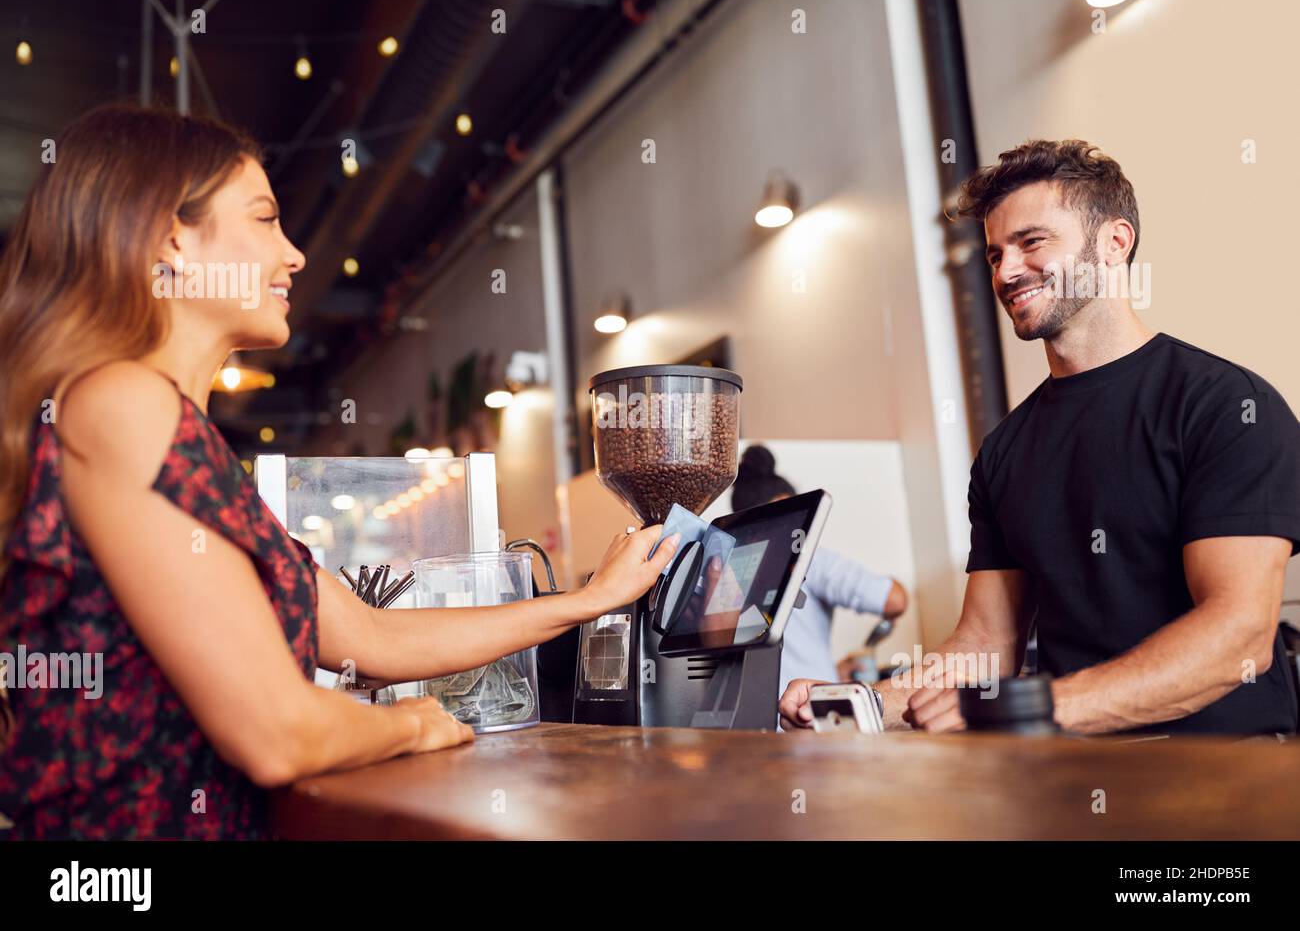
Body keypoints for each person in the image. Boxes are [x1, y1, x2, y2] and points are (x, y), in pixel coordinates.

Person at [0, 104, 677, 839]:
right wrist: (412, 726)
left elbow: (372, 638)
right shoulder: (121, 402)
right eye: (264, 219)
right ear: (173, 238)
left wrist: (587, 600)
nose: (294, 255)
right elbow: (273, 730)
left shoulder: (183, 441)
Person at [781, 139, 1300, 737]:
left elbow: (1239, 637)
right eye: (995, 254)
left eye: (1032, 243)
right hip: (1071, 780)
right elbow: (985, 644)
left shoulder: (1227, 406)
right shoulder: (1005, 449)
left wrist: (1038, 707)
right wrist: (865, 703)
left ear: (1115, 242)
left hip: (1224, 781)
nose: (1006, 272)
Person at [730, 446, 907, 698]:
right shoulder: (807, 557)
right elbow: (894, 600)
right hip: (807, 716)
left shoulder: (727, 569)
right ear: (784, 504)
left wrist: (831, 672)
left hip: (748, 727)